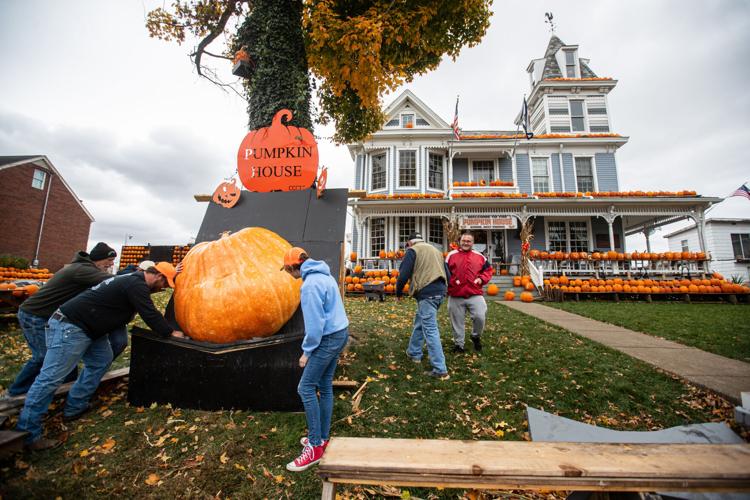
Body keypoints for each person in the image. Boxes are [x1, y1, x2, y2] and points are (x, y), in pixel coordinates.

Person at [16, 262, 184, 450]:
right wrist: (169, 333)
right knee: (50, 378)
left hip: (90, 329)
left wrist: (172, 271)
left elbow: (146, 297)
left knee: (101, 360)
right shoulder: (136, 285)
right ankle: (29, 433)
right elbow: (149, 313)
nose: (164, 288)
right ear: (158, 276)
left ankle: (75, 406)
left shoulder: (132, 281)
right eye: (165, 283)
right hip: (71, 328)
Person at [2, 243, 118, 399]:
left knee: (63, 354)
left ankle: (63, 388)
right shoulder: (82, 270)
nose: (111, 264)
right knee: (43, 357)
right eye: (109, 260)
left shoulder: (84, 269)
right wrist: (138, 276)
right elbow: (114, 280)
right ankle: (15, 392)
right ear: (98, 259)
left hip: (51, 316)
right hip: (35, 315)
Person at [282, 247, 349, 472]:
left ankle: (314, 446)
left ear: (294, 267)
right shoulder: (324, 274)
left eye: (287, 270)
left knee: (305, 388)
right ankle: (322, 438)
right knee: (325, 386)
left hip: (328, 338)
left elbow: (315, 326)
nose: (288, 274)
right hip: (341, 332)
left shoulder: (309, 286)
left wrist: (306, 352)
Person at [395, 232, 450, 380]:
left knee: (430, 329)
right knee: (421, 322)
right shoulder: (436, 251)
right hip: (439, 292)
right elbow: (448, 274)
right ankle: (414, 353)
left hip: (427, 294)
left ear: (409, 243)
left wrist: (398, 293)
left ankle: (440, 369)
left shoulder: (413, 251)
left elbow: (403, 274)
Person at [445, 232, 493, 353]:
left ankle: (475, 336)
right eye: (464, 241)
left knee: (480, 316)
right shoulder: (451, 255)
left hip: (474, 292)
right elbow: (445, 272)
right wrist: (452, 281)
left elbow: (488, 270)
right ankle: (459, 344)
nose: (466, 243)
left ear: (472, 243)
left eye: (469, 241)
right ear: (459, 242)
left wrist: (481, 279)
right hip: (456, 293)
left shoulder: (480, 256)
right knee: (457, 320)